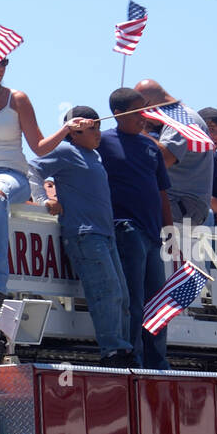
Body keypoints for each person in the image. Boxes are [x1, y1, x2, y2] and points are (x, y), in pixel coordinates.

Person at [0, 51, 85, 308]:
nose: (0, 67)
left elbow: (40, 147)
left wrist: (66, 129)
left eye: (4, 62)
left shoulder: (17, 99)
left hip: (12, 175)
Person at [29, 106, 134, 364]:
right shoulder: (65, 150)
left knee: (121, 294)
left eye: (98, 127)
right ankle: (112, 350)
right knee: (106, 291)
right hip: (85, 234)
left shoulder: (94, 156)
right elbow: (32, 168)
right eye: (91, 128)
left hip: (104, 234)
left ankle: (122, 347)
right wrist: (44, 200)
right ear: (75, 132)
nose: (98, 133)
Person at [97, 87, 173, 370]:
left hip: (153, 234)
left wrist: (170, 229)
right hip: (125, 230)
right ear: (118, 114)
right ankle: (135, 360)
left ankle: (158, 362)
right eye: (138, 110)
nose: (145, 116)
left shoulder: (151, 145)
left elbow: (162, 190)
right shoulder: (102, 142)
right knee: (133, 300)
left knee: (158, 302)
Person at [134, 79, 212, 228]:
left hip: (184, 203)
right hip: (180, 202)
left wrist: (139, 129)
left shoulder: (181, 119)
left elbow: (163, 160)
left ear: (147, 105)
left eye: (139, 111)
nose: (141, 116)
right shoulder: (179, 116)